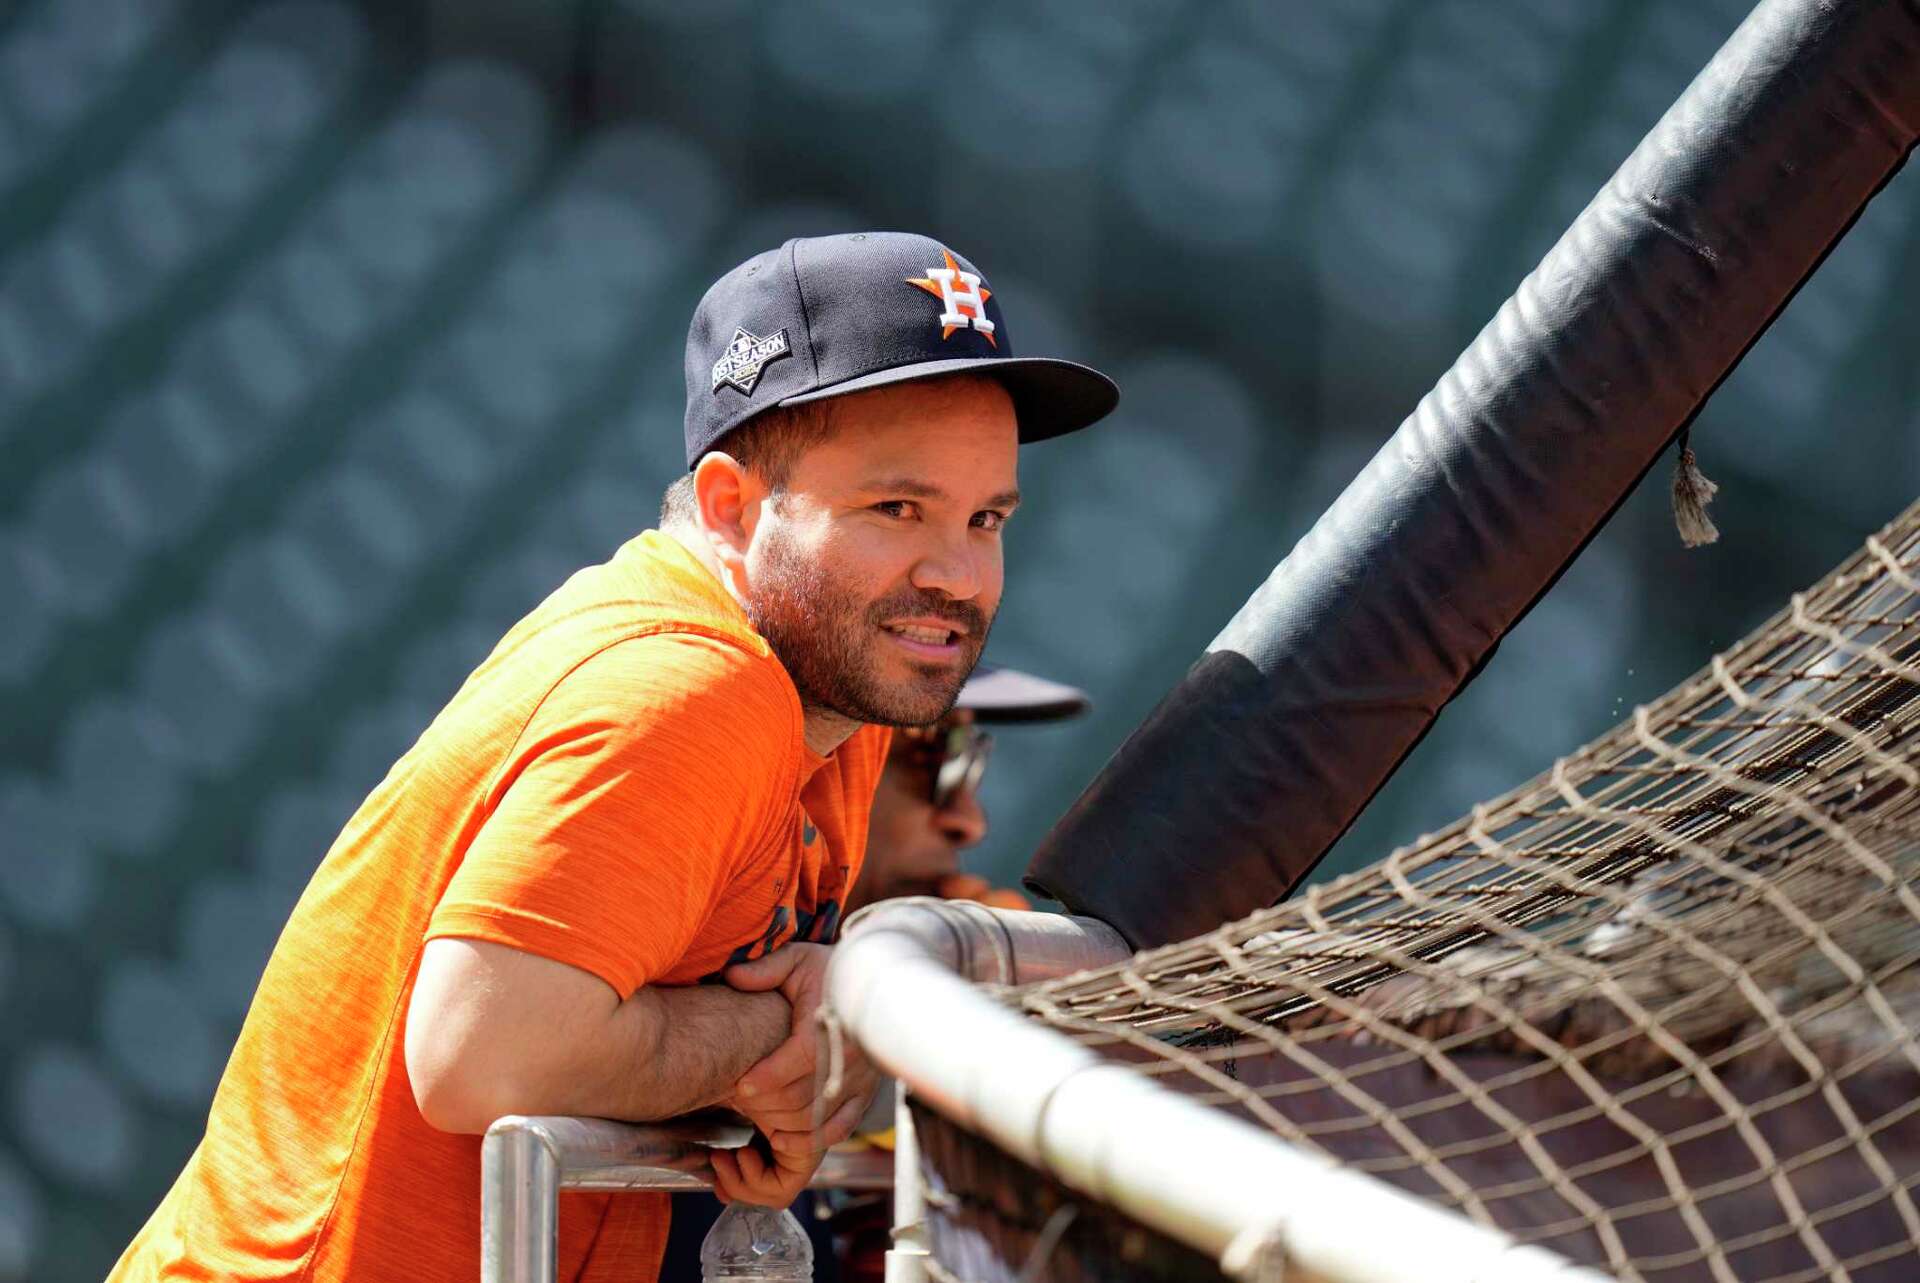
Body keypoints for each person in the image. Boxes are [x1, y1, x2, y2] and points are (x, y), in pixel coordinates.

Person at [110, 232, 1117, 1283]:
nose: (956, 573)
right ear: (733, 507)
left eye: (986, 517)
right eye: (896, 508)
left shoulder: (837, 690)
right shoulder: (695, 690)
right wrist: (794, 1030)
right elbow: (478, 1052)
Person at [658, 662, 1093, 1281]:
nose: (969, 820)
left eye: (973, 761)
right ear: (810, 768)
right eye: (935, 760)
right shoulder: (644, 976)